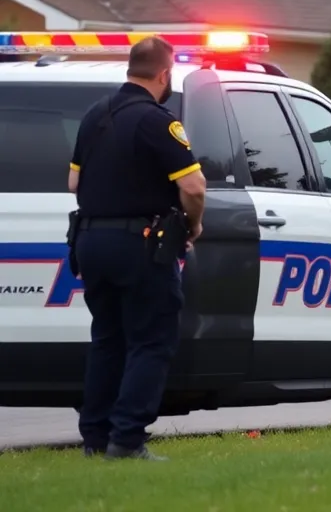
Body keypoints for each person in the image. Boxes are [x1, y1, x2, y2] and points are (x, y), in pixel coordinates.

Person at [67, 36, 207, 460]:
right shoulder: (157, 120)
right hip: (140, 244)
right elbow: (193, 186)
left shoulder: (95, 115)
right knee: (151, 340)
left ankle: (95, 437)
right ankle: (127, 439)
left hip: (91, 241)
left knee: (108, 338)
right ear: (165, 74)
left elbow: (74, 183)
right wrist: (193, 225)